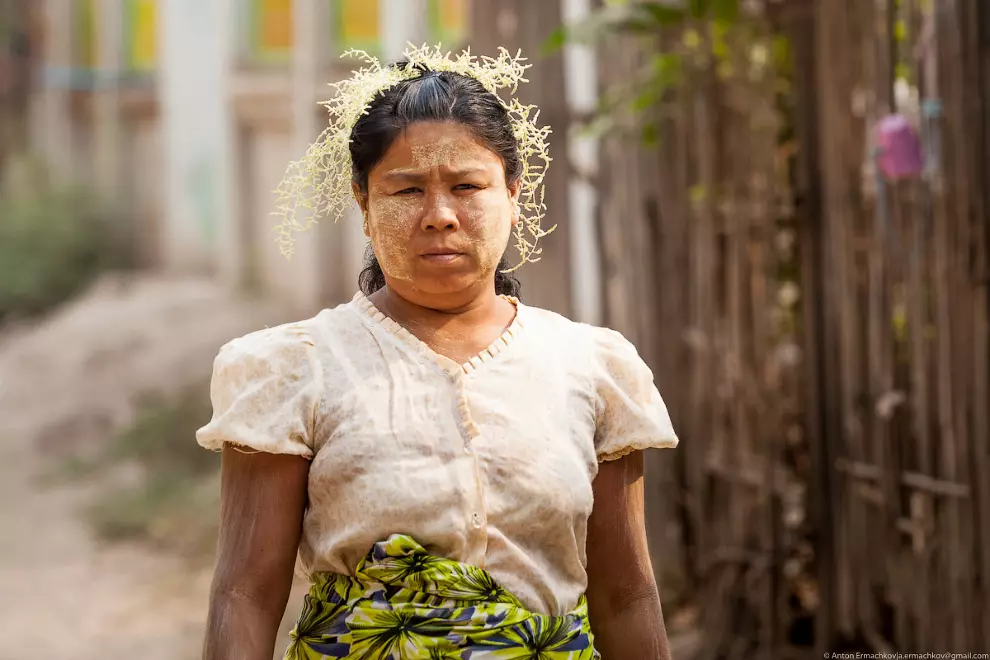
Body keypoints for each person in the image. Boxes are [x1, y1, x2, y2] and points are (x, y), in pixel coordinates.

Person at [196, 45, 679, 660]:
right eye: (406, 190)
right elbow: (243, 594)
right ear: (364, 205)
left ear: (512, 192)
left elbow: (626, 597)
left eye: (467, 186)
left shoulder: (592, 367)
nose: (440, 216)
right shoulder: (294, 369)